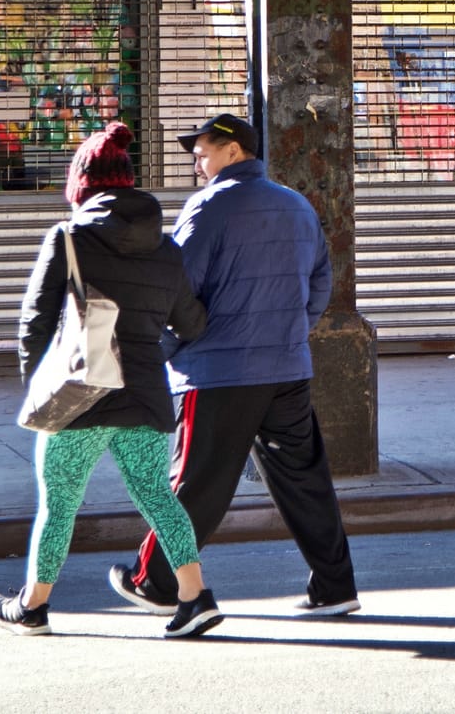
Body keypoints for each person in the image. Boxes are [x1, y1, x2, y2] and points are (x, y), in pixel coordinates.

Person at [110, 113, 360, 619]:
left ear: (233, 151)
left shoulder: (209, 208)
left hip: (218, 371)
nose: (196, 163)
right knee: (304, 479)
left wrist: (162, 350)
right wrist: (288, 332)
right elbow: (319, 283)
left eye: (202, 152)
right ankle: (335, 586)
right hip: (286, 367)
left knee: (196, 482)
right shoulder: (297, 205)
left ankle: (154, 580)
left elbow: (176, 289)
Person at [0, 122, 224, 640]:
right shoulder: (166, 249)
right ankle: (195, 597)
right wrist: (144, 345)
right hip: (144, 396)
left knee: (59, 505)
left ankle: (32, 606)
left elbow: (35, 323)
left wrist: (39, 388)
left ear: (82, 185)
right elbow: (192, 324)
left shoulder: (69, 238)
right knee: (159, 498)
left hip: (79, 400)